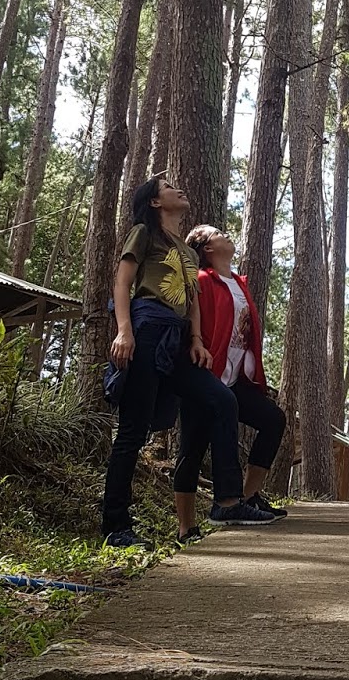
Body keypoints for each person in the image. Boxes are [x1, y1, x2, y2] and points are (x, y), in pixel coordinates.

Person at [100, 175, 277, 547]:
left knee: (222, 399)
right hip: (147, 327)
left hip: (178, 340)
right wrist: (124, 330)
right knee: (133, 432)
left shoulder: (186, 250)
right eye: (167, 187)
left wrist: (196, 340)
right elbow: (122, 282)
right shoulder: (143, 233)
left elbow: (193, 299)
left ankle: (227, 502)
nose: (177, 188)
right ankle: (116, 525)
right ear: (154, 202)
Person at [180, 224, 288, 530]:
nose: (225, 234)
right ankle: (186, 527)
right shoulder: (202, 280)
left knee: (273, 419)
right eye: (216, 233)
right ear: (207, 249)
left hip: (236, 378)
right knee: (192, 447)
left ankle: (247, 497)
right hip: (206, 374)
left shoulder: (239, 284)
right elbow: (191, 321)